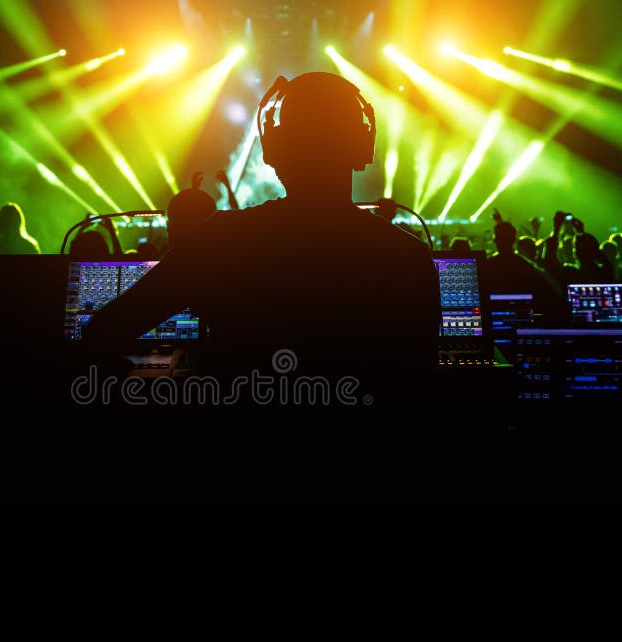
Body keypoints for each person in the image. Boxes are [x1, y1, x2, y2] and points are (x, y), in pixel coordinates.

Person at [83, 71, 440, 399]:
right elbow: (418, 379)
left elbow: (103, 331)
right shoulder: (406, 256)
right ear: (361, 147)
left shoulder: (219, 240)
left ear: (274, 150)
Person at [483, 210, 562, 319]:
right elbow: (554, 293)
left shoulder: (485, 266)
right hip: (523, 321)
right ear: (513, 240)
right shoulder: (527, 266)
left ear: (495, 240)